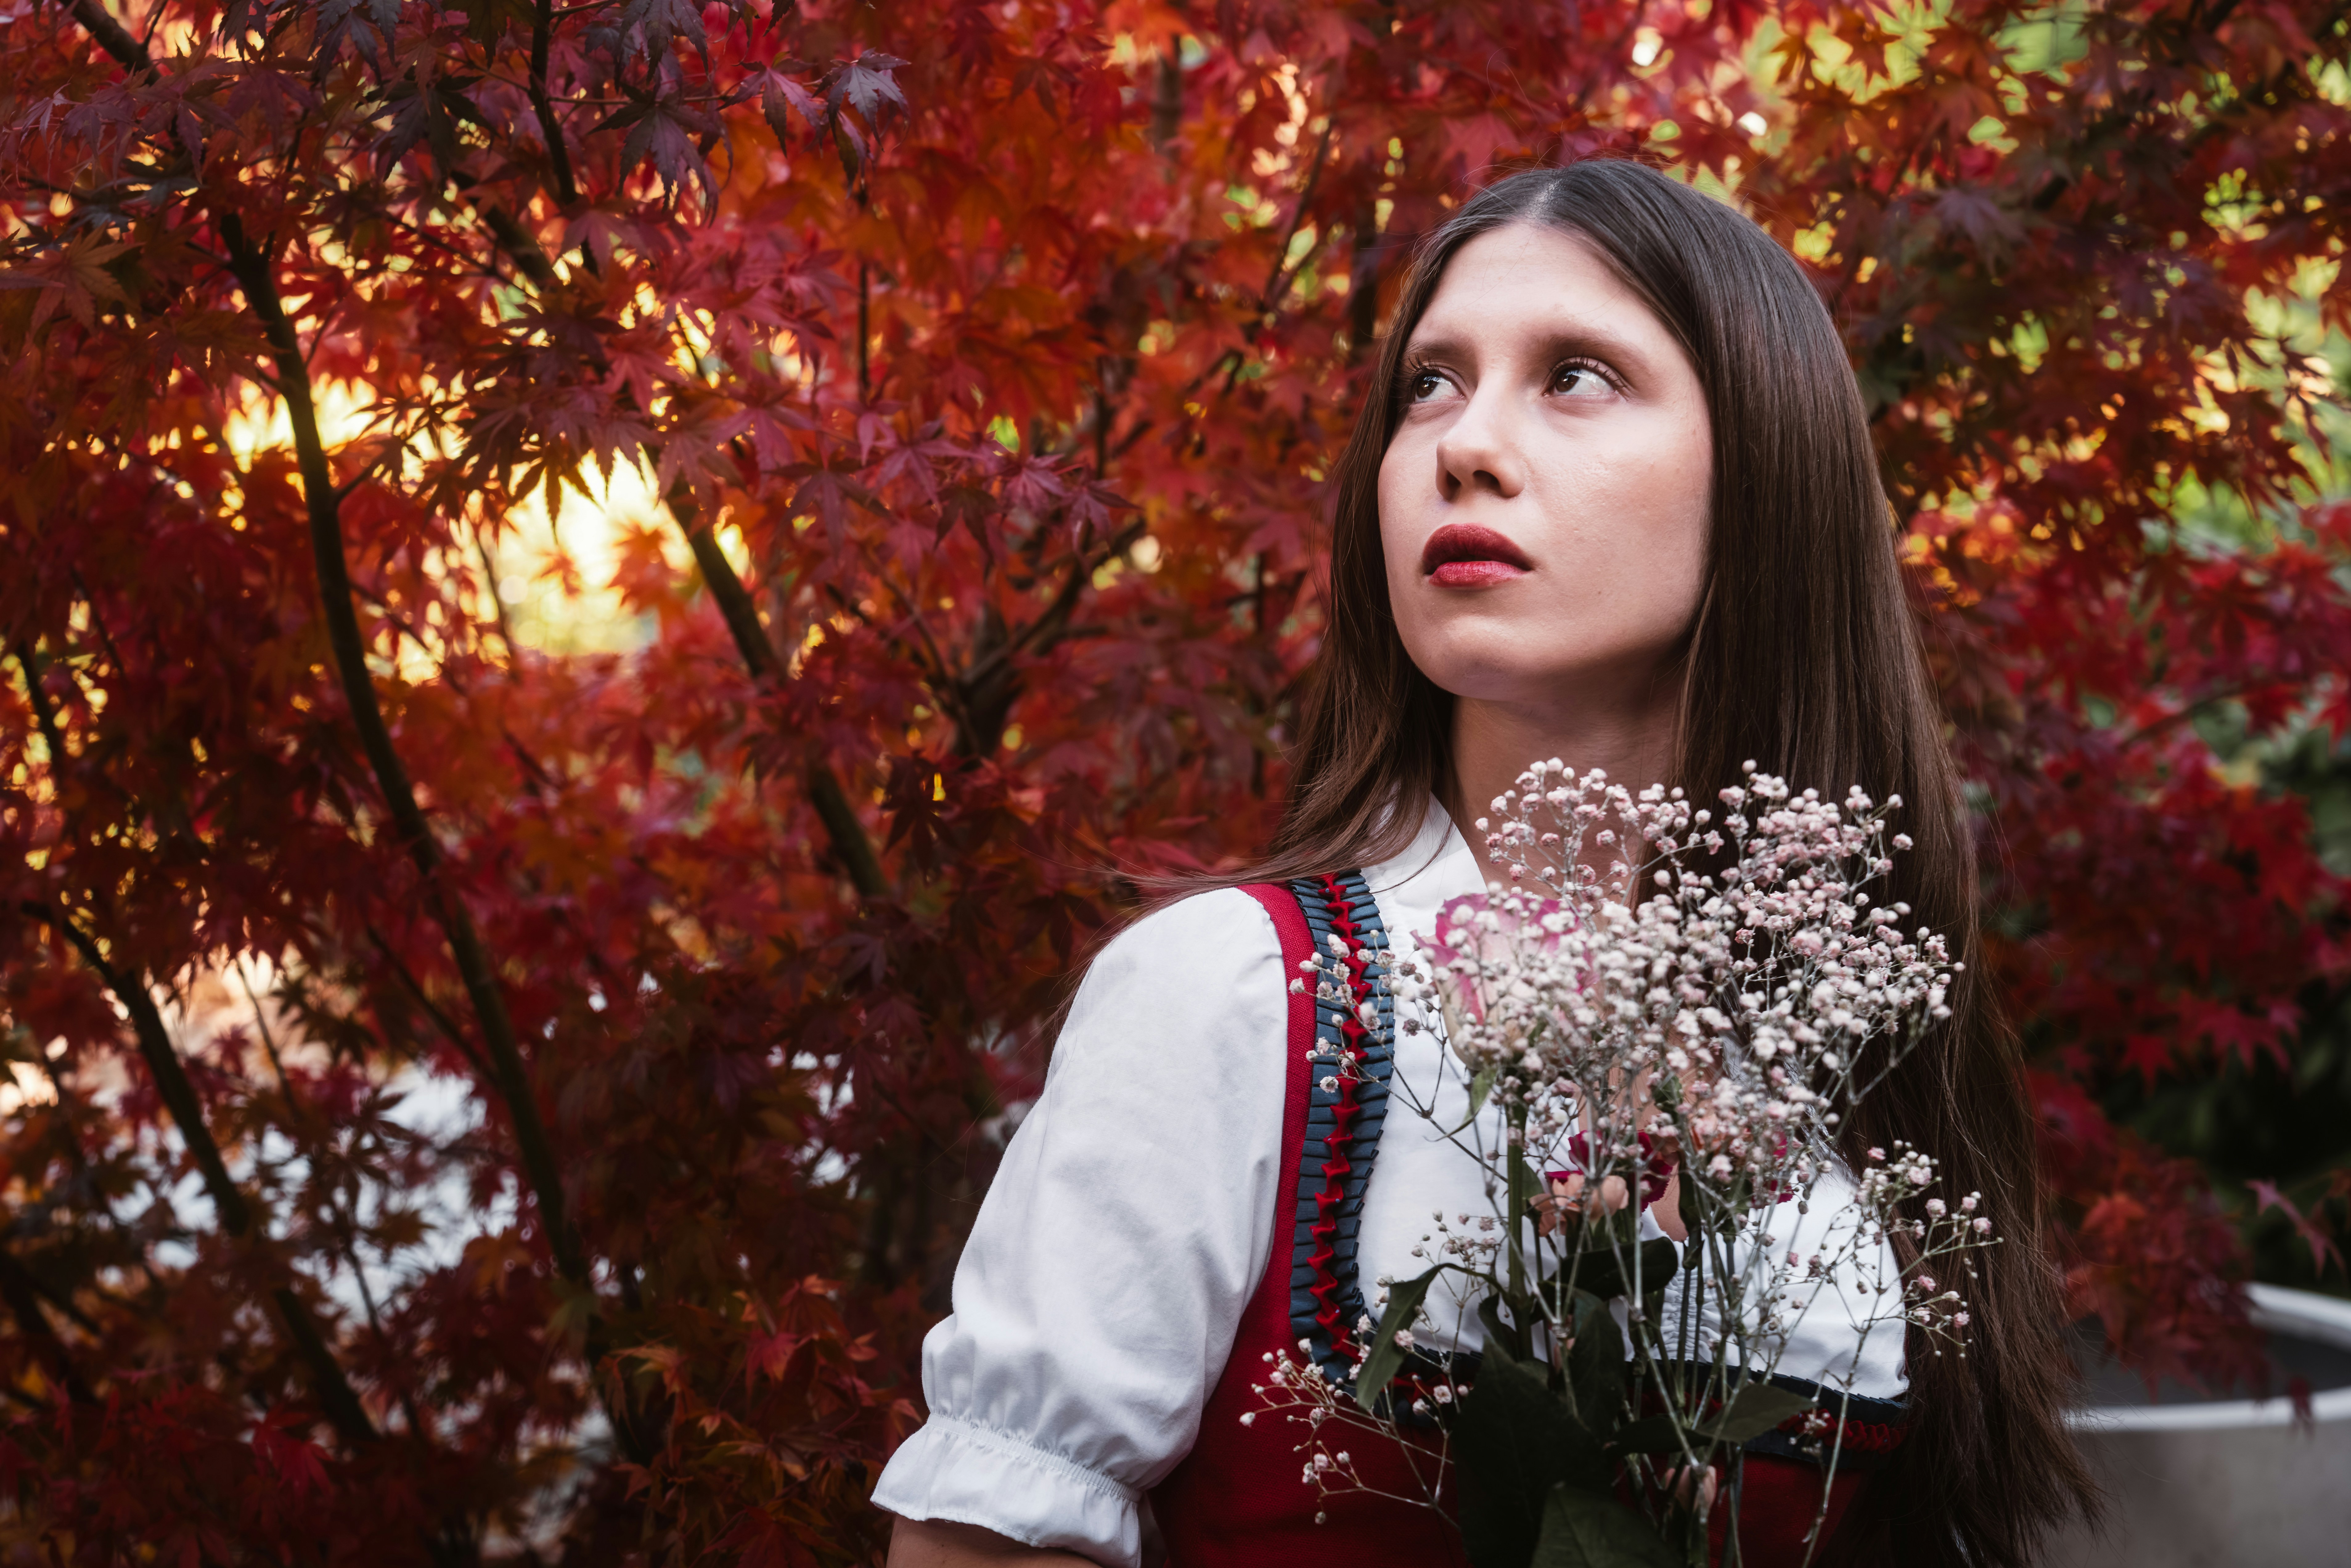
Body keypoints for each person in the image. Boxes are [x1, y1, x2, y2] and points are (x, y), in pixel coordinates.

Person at [875, 159, 2095, 1568]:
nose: (1464, 444)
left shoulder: (1852, 1064)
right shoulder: (1232, 1000)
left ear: (1768, 472)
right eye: (1429, 386)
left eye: (1575, 376)